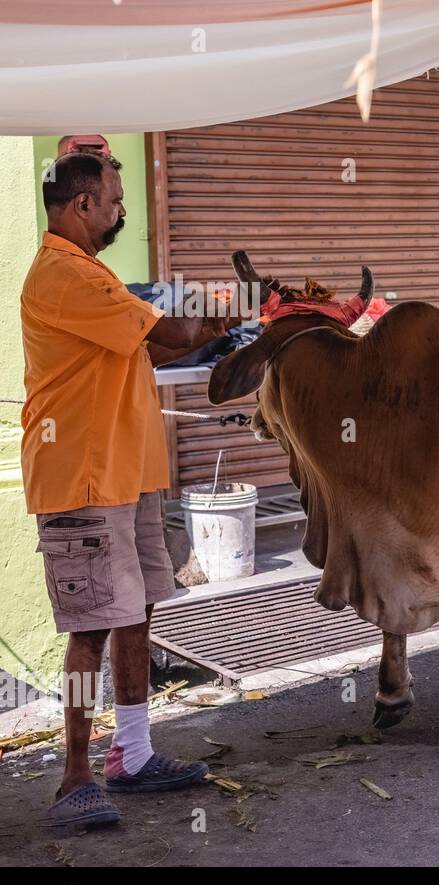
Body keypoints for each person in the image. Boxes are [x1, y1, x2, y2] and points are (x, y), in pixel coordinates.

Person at [22, 151, 245, 829]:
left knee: (138, 611)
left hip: (127, 473)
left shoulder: (93, 273)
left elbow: (153, 347)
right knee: (91, 627)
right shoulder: (63, 275)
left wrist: (215, 324)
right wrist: (231, 310)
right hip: (82, 477)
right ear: (82, 205)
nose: (122, 212)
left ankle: (134, 753)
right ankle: (74, 778)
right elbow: (170, 334)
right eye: (116, 202)